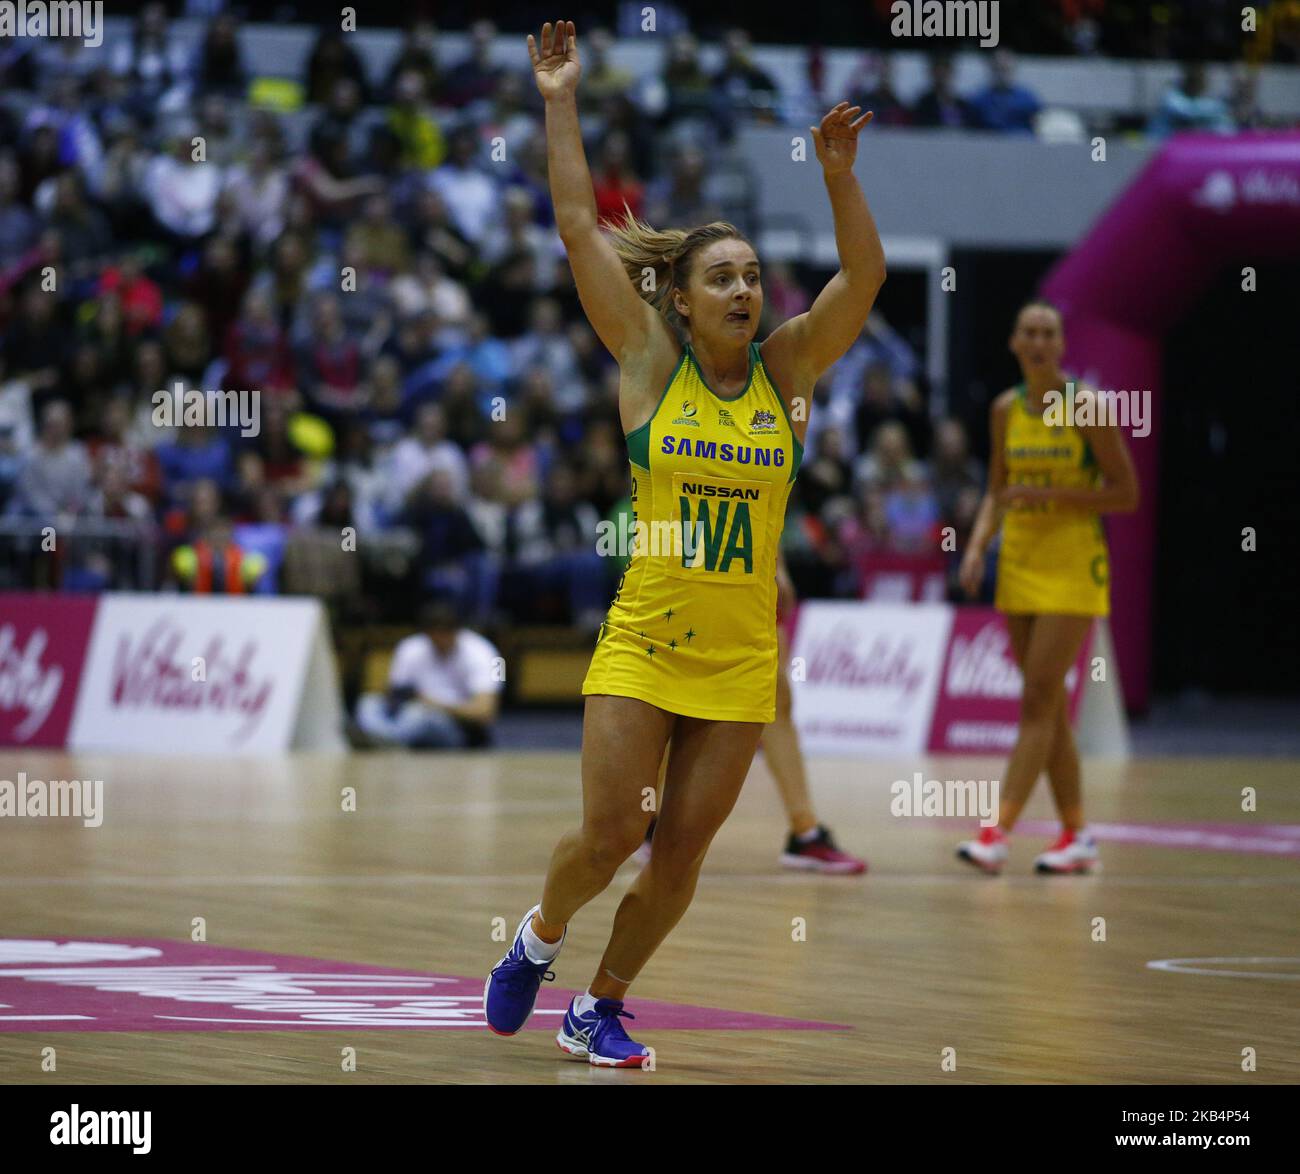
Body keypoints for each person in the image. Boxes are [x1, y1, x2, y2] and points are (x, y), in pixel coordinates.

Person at [484, 21, 885, 1067]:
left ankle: (600, 1004)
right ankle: (539, 933)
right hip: (646, 642)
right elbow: (578, 226)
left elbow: (866, 275)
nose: (745, 290)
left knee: (680, 853)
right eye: (722, 278)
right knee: (610, 837)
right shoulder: (649, 362)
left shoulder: (787, 368)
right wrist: (558, 98)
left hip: (742, 656)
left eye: (752, 275)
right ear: (680, 296)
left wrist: (839, 176)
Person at [955, 301, 1138, 875]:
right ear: (1014, 343)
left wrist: (1054, 499)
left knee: (1037, 697)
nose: (1037, 342)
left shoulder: (1087, 406)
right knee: (1049, 706)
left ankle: (997, 831)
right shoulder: (1005, 410)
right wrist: (979, 544)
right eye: (1028, 332)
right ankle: (1078, 835)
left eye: (1048, 333)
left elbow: (1124, 493)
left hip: (1072, 567)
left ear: (1061, 345)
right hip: (1020, 565)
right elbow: (997, 490)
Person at [634, 547, 868, 873]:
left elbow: (766, 496)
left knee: (776, 699)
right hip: (687, 569)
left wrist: (777, 563)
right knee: (678, 699)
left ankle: (805, 830)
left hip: (750, 569)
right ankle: (648, 821)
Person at [354, 599, 502, 749]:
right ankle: (384, 738)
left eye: (444, 634)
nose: (439, 641)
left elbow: (487, 712)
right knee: (368, 703)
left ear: (456, 631)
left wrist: (434, 704)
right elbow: (396, 691)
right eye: (433, 635)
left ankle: (383, 740)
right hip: (408, 711)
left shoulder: (488, 653)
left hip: (457, 725)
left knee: (418, 716)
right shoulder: (409, 647)